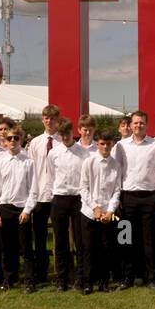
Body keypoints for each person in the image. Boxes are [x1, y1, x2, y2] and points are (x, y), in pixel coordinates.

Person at [118, 110, 155, 289]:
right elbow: (117, 172)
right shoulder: (121, 146)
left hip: (149, 198)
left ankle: (153, 277)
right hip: (128, 198)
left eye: (142, 123)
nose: (138, 126)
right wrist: (118, 199)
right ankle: (129, 277)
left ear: (147, 124)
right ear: (130, 125)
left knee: (150, 240)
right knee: (127, 238)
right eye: (135, 123)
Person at [0, 122, 37, 292]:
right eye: (10, 138)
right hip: (5, 208)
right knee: (7, 248)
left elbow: (33, 190)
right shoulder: (0, 163)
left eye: (16, 138)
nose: (13, 141)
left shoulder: (29, 162)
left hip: (22, 209)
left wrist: (27, 210)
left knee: (25, 248)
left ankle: (29, 281)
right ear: (6, 140)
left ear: (21, 140)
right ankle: (9, 279)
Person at [79, 130, 123, 295]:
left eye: (108, 143)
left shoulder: (116, 165)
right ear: (97, 144)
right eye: (102, 143)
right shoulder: (88, 162)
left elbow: (117, 191)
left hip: (107, 214)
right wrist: (95, 208)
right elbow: (83, 188)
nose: (105, 147)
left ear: (112, 144)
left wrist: (110, 211)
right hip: (90, 212)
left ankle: (104, 282)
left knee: (106, 248)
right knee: (89, 248)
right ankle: (88, 282)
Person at [47, 117, 89, 292]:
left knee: (80, 241)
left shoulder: (84, 152)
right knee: (61, 241)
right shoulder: (53, 153)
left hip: (78, 199)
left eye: (67, 133)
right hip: (60, 197)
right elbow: (51, 176)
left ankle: (81, 278)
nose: (64, 137)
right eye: (61, 134)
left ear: (73, 132)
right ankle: (62, 279)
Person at [26, 105, 63, 287]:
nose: (50, 121)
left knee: (60, 236)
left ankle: (61, 273)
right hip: (39, 195)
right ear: (42, 120)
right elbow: (30, 170)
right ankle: (41, 272)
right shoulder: (35, 143)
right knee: (39, 238)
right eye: (46, 118)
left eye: (53, 118)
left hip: (58, 195)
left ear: (58, 120)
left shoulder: (63, 141)